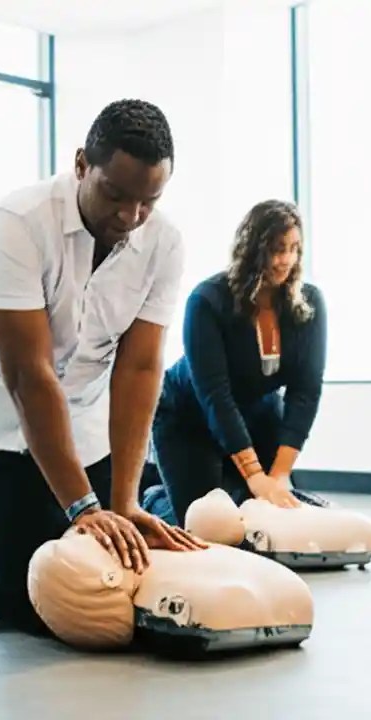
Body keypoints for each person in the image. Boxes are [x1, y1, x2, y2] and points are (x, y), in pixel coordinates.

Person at [0, 99, 206, 636]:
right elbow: (29, 376)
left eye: (147, 202)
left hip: (84, 424)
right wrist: (83, 506)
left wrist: (124, 502)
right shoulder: (17, 223)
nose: (130, 217)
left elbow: (138, 370)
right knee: (41, 598)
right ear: (82, 164)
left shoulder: (164, 243)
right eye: (115, 195)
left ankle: (0, 533)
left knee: (114, 572)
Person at [140, 200, 328, 526]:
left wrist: (279, 474)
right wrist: (255, 475)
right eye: (276, 249)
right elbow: (215, 395)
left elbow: (306, 392)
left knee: (263, 510)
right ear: (254, 249)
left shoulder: (309, 303)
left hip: (258, 413)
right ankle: (155, 496)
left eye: (293, 249)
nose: (286, 260)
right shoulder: (207, 301)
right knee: (205, 523)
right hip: (190, 417)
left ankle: (238, 489)